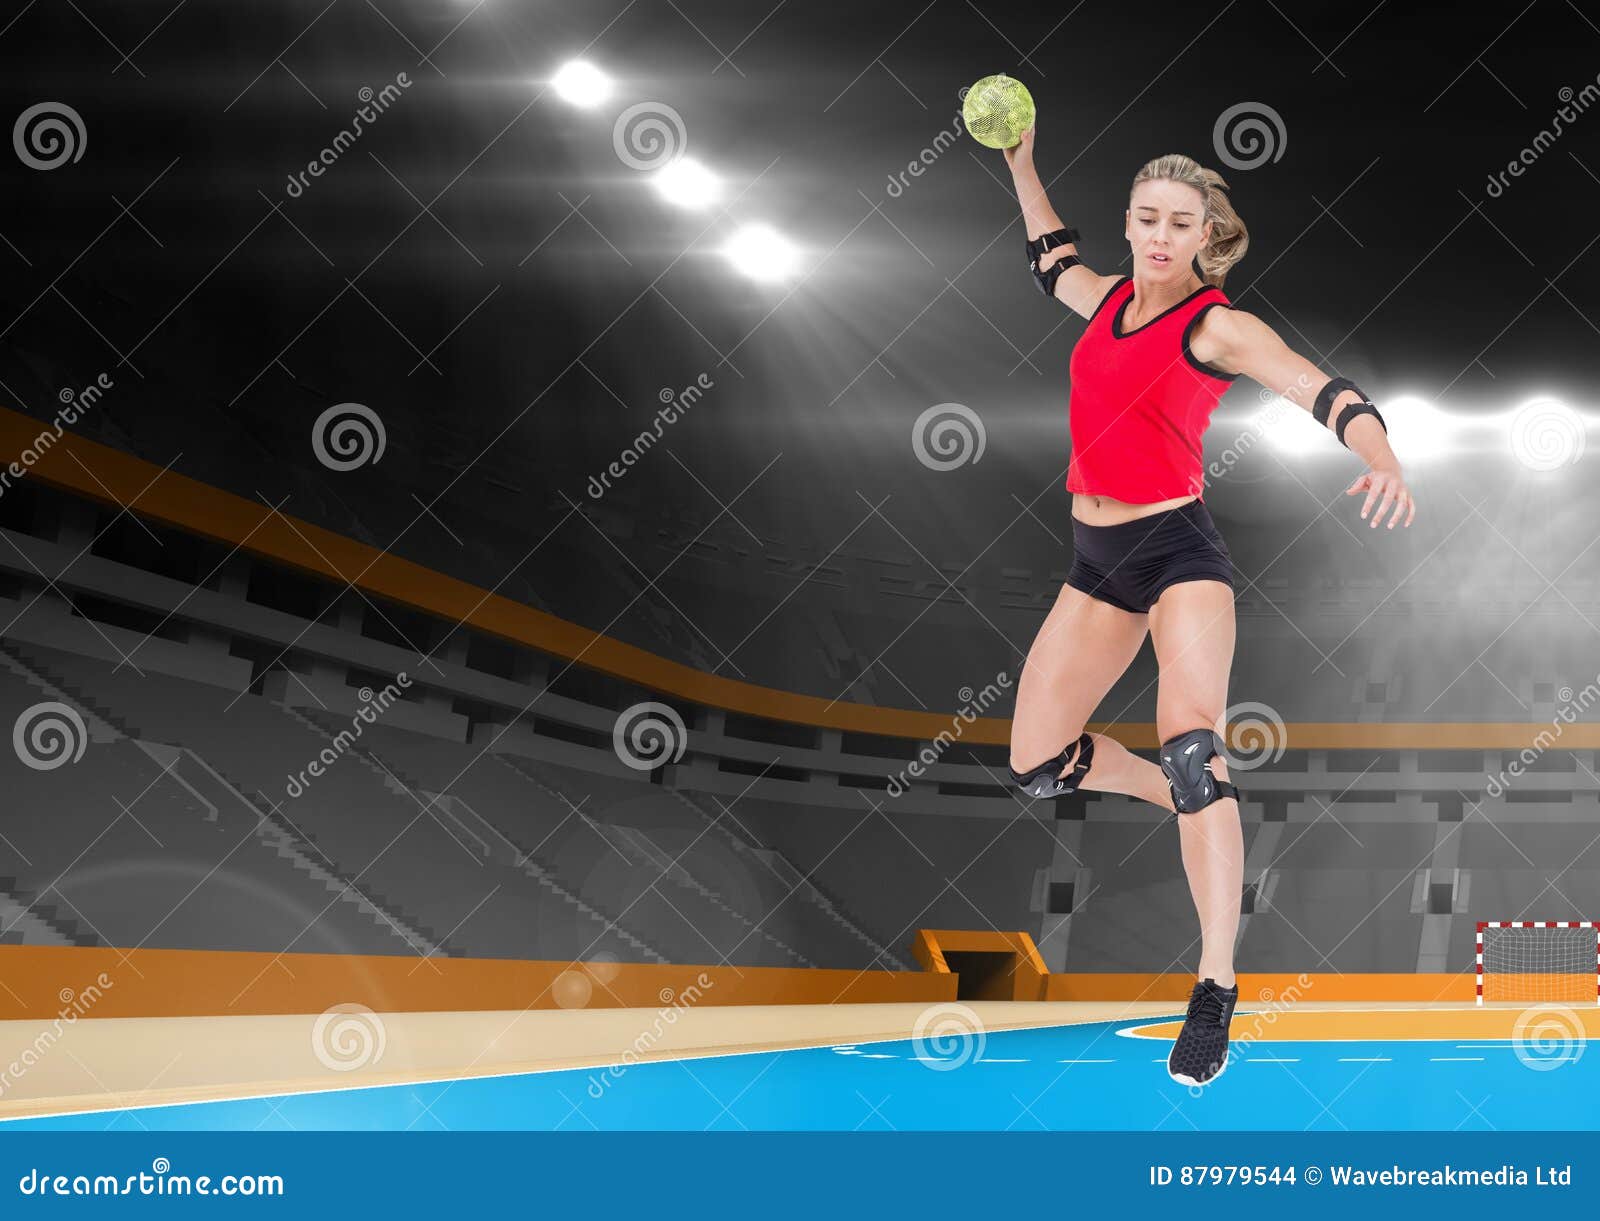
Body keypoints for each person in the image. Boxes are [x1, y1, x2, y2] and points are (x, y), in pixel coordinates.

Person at [999, 129, 1414, 1087]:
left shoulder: (1216, 326)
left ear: (1203, 236)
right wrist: (1021, 165)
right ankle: (1186, 795)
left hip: (1179, 552)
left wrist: (1383, 456)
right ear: (1129, 222)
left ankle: (1215, 985)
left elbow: (1324, 390)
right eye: (1147, 218)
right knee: (1036, 765)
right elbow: (1050, 258)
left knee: (1193, 743)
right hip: (1095, 563)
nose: (1159, 235)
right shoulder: (1104, 299)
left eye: (1179, 224)